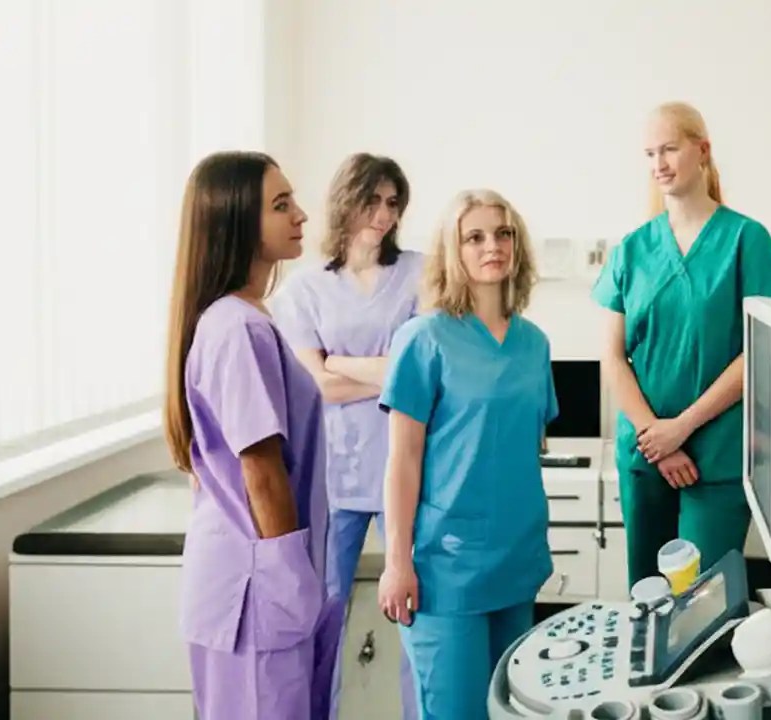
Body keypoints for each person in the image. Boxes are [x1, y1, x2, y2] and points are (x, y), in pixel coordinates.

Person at [164, 151, 339, 720]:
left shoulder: (240, 319)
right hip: (257, 592)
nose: (301, 215)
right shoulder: (238, 328)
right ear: (238, 219)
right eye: (281, 205)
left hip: (245, 585)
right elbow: (260, 470)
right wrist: (292, 582)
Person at [592, 101, 771, 589]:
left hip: (716, 454)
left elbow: (761, 352)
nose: (658, 164)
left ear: (702, 150)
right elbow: (613, 357)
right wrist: (656, 439)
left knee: (705, 600)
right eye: (649, 154)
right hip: (646, 454)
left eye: (669, 149)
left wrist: (681, 428)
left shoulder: (746, 239)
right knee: (648, 595)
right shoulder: (632, 249)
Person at [376, 189, 557, 719]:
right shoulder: (423, 339)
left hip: (516, 559)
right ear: (452, 251)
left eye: (502, 234)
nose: (491, 246)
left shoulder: (534, 344)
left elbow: (524, 448)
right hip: (446, 567)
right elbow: (403, 461)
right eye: (474, 237)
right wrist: (397, 563)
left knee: (511, 712)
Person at [271, 153, 422, 718]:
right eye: (372, 200)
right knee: (323, 617)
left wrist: (339, 361)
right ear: (345, 201)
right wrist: (384, 374)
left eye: (392, 203)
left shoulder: (421, 274)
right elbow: (317, 387)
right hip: (333, 474)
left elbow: (421, 374)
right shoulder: (306, 290)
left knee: (417, 614)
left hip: (406, 470)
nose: (383, 214)